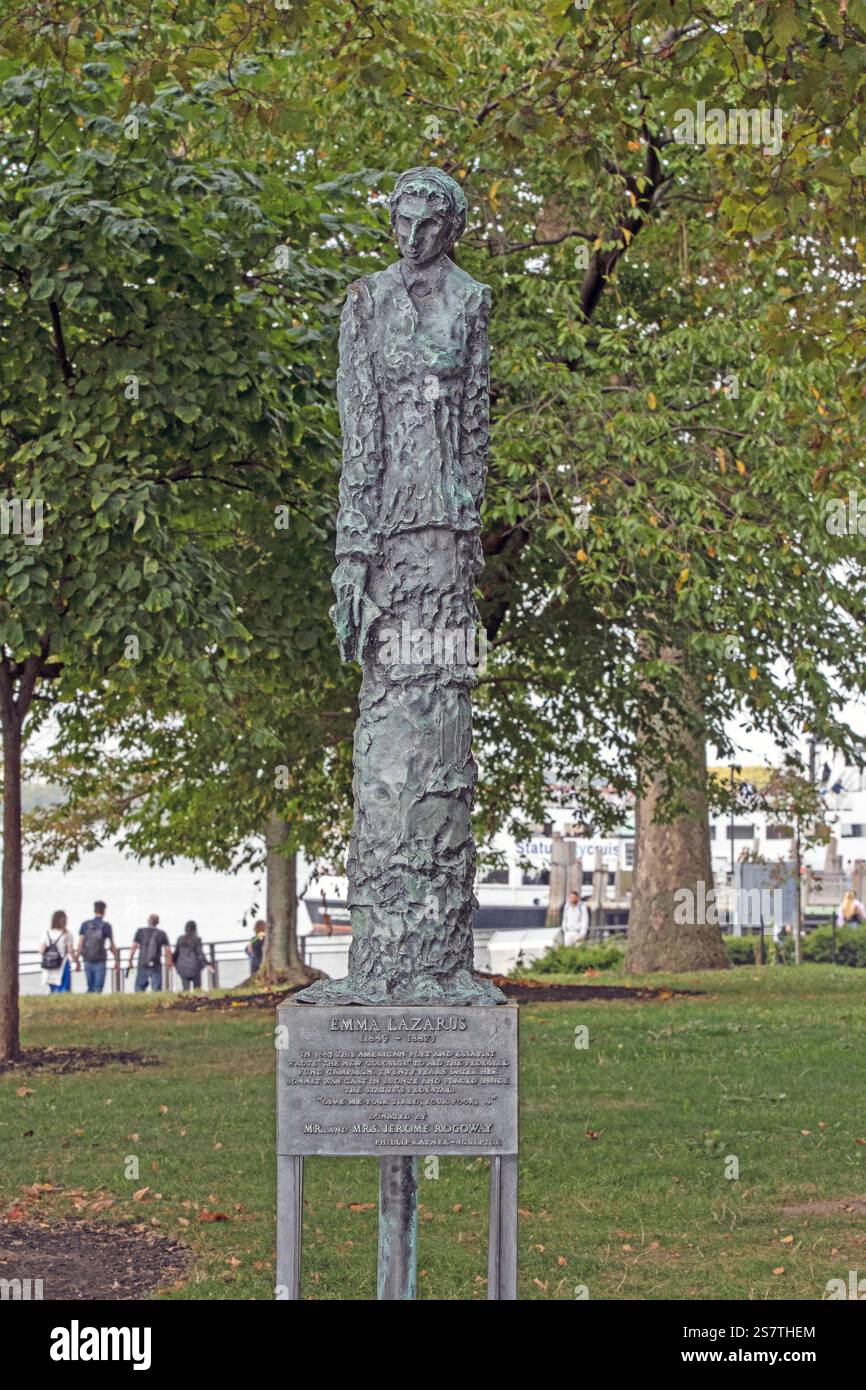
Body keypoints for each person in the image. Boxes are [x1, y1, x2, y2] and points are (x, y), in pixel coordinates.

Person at [74, 901, 119, 993]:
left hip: (87, 959)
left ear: (94, 910)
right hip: (100, 960)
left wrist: (77, 960)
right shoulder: (106, 926)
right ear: (104, 911)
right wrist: (116, 960)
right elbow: (112, 945)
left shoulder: (85, 925)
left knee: (90, 987)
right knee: (98, 988)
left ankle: (88, 1005)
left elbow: (80, 944)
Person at [129, 913, 172, 992]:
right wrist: (169, 962)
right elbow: (168, 950)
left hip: (142, 963)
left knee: (139, 988)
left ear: (148, 921)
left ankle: (140, 1002)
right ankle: (156, 1002)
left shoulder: (140, 931)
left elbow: (133, 947)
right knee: (156, 988)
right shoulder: (162, 933)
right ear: (158, 922)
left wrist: (130, 960)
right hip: (156, 963)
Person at [42, 910, 73, 994]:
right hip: (63, 963)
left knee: (53, 986)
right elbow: (70, 950)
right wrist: (76, 960)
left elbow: (41, 950)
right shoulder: (67, 934)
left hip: (50, 964)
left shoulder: (47, 933)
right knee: (63, 986)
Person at [174, 921, 208, 991]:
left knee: (185, 989)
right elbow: (200, 954)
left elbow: (176, 953)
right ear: (195, 928)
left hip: (182, 967)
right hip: (195, 967)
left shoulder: (180, 939)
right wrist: (206, 963)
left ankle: (186, 1001)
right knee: (197, 989)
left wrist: (174, 964)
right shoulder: (197, 939)